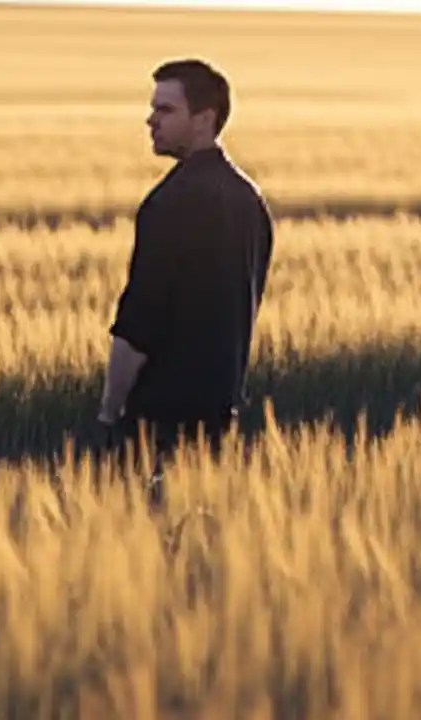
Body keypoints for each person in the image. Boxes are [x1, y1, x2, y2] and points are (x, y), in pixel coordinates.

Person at [95, 58, 275, 507]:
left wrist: (109, 410)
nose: (150, 119)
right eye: (152, 107)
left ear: (205, 119)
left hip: (158, 427)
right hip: (219, 423)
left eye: (166, 109)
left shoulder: (169, 203)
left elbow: (138, 324)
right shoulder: (250, 202)